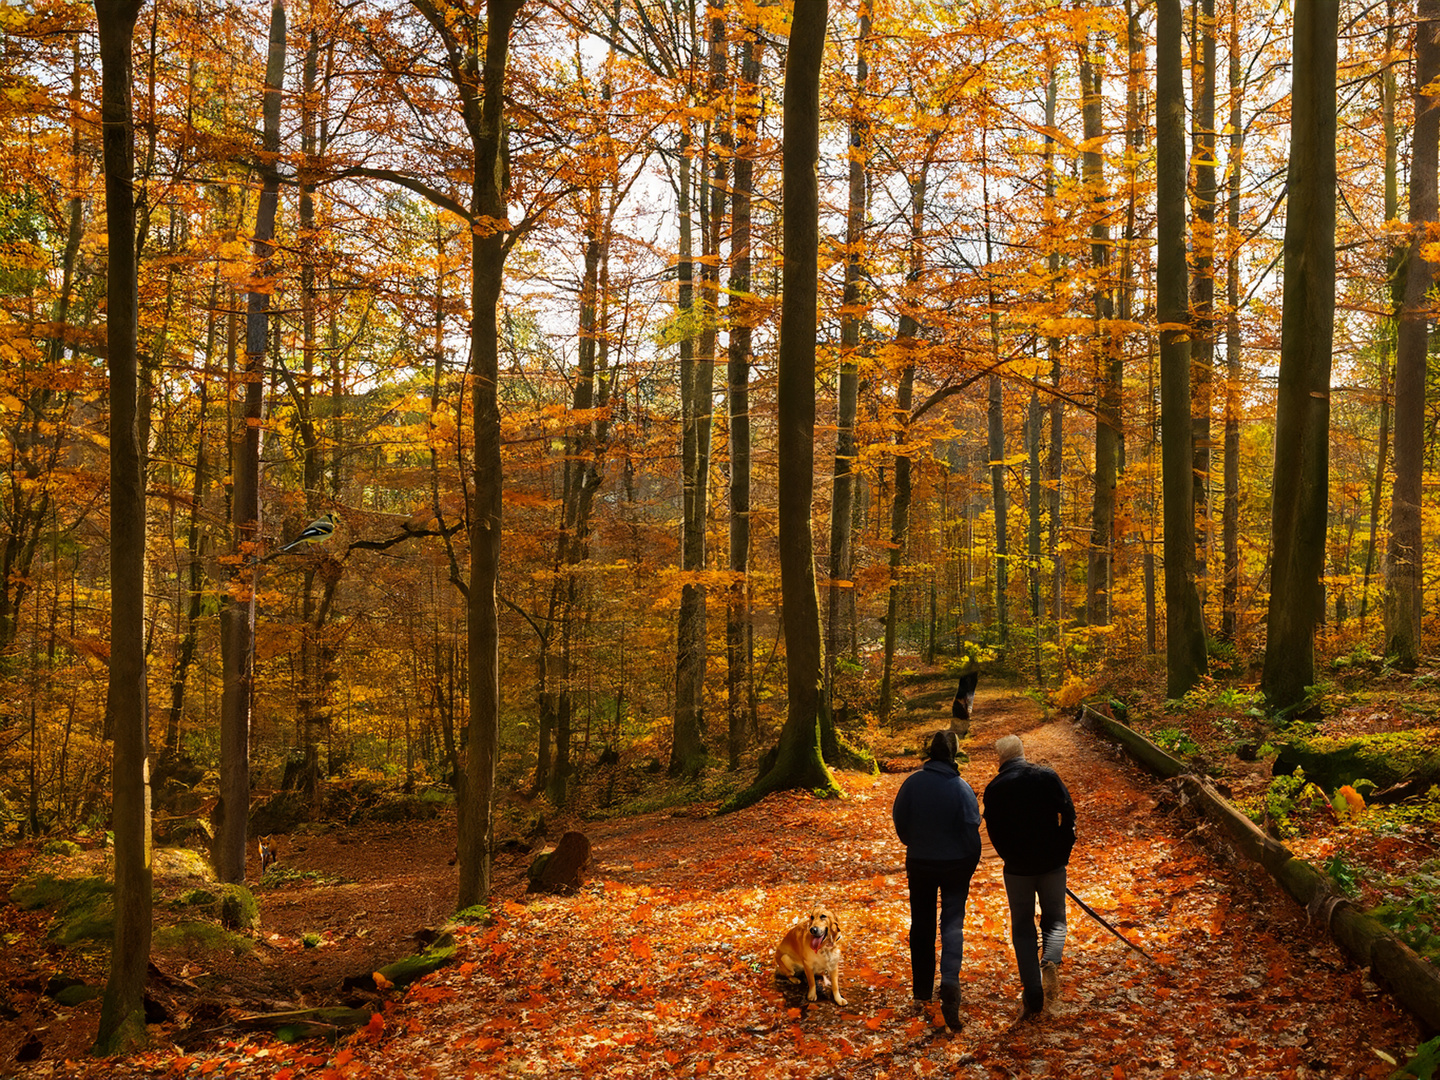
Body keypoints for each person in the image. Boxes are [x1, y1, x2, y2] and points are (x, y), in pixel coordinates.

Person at [891, 730, 982, 1031]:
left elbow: (900, 821)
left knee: (922, 923)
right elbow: (972, 830)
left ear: (930, 752)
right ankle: (950, 982)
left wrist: (914, 843)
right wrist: (968, 863)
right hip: (955, 865)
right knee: (952, 924)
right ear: (954, 755)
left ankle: (921, 990)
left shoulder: (912, 783)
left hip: (921, 863)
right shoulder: (961, 788)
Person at [983, 733, 1076, 1020]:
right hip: (1052, 865)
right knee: (1056, 919)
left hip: (1017, 870)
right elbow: (1069, 814)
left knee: (1022, 927)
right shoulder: (1046, 777)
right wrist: (1062, 849)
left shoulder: (995, 788)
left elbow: (993, 831)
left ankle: (1032, 989)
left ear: (1001, 759)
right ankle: (1050, 961)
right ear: (1023, 752)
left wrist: (1008, 855)